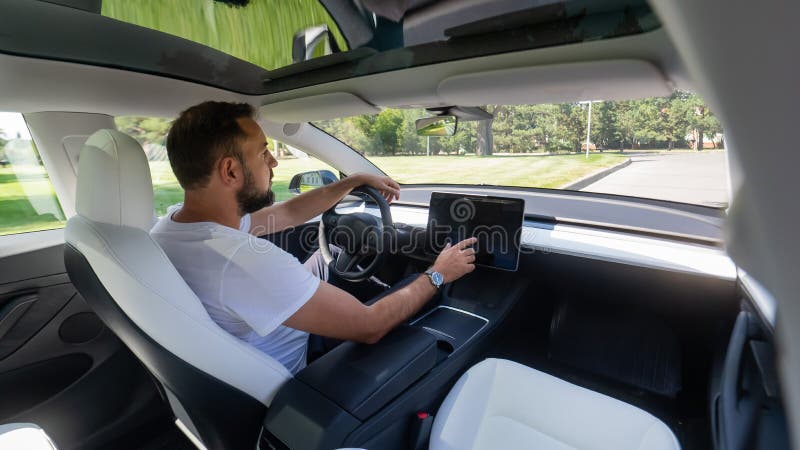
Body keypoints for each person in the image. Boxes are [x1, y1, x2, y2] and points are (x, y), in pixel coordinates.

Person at [150, 101, 476, 373]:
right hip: (309, 365)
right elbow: (370, 326)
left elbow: (289, 212)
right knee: (413, 297)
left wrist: (352, 181)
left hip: (263, 332)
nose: (274, 162)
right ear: (231, 171)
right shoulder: (243, 262)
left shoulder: (173, 227)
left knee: (327, 257)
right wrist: (437, 273)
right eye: (263, 153)